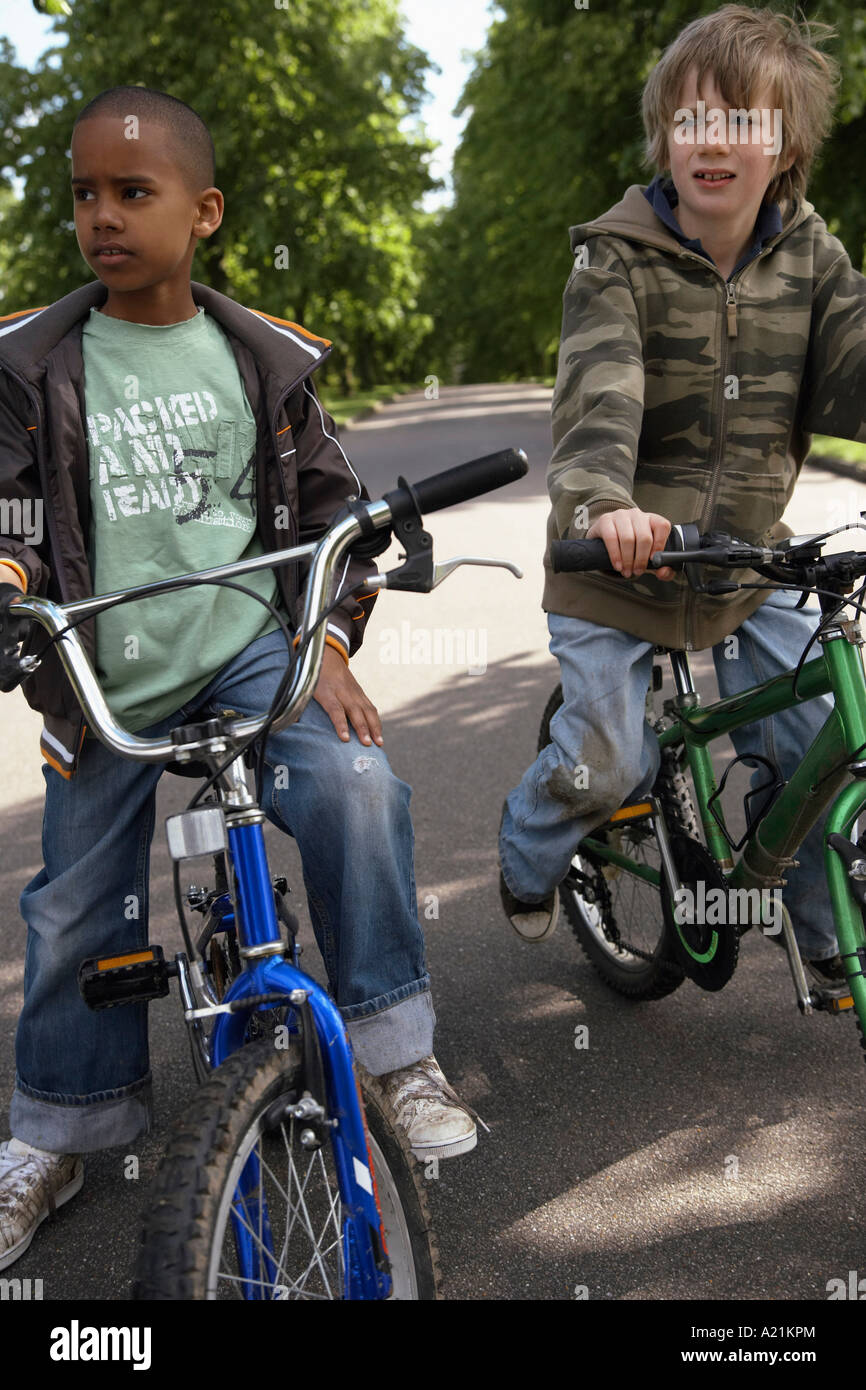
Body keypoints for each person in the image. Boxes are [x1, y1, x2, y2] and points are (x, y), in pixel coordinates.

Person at [0, 86, 476, 1273]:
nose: (101, 217)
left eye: (131, 192)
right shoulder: (38, 363)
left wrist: (326, 641)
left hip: (250, 640)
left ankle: (388, 1043)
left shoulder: (255, 359)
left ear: (204, 212)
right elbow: (12, 511)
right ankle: (62, 1124)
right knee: (73, 904)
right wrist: (9, 571)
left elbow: (333, 513)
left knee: (355, 788)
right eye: (82, 196)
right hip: (103, 663)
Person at [499, 7, 865, 973]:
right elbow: (598, 397)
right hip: (617, 559)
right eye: (695, 119)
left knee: (822, 740)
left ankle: (829, 940)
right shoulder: (611, 257)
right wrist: (602, 507)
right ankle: (530, 852)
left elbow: (854, 372)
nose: (716, 141)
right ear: (665, 132)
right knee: (610, 760)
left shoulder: (812, 258)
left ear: (784, 146)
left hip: (744, 561)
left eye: (744, 122)